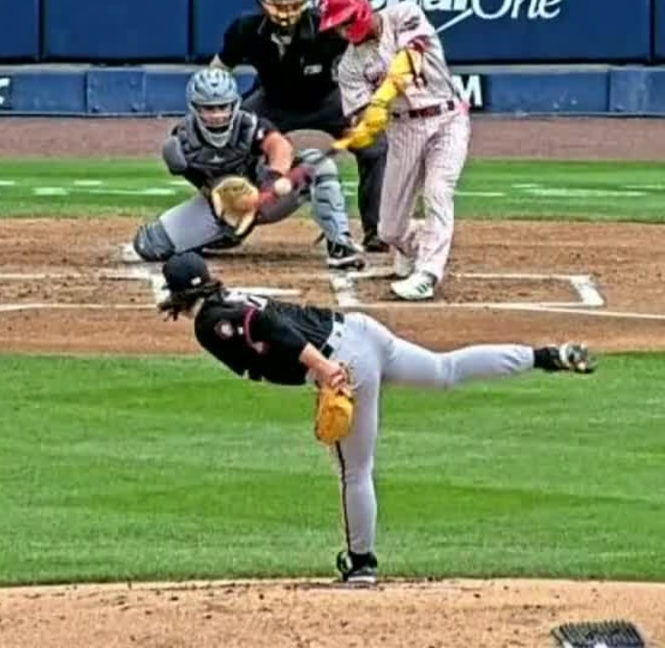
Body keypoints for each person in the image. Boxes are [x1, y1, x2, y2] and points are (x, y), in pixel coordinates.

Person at [156, 250, 597, 585]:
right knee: (444, 371)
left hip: (343, 362)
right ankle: (545, 356)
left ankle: (362, 564)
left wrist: (325, 371)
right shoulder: (228, 298)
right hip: (361, 331)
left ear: (176, 292)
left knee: (355, 470)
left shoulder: (213, 319)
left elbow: (274, 330)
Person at [211, 0, 389, 258]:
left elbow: (364, 60)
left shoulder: (328, 29)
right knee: (233, 141)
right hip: (271, 100)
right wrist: (218, 111)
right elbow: (218, 71)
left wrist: (364, 104)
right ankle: (230, 224)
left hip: (327, 99)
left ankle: (376, 230)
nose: (284, 6)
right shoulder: (245, 29)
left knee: (374, 146)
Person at [318, 0, 469, 303]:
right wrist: (364, 128)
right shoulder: (349, 66)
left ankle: (428, 274)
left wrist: (382, 98)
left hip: (447, 120)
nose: (344, 31)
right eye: (338, 26)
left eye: (347, 21)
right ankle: (417, 247)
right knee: (389, 230)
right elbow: (363, 117)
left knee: (438, 191)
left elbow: (410, 60)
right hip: (403, 132)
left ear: (361, 9)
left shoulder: (404, 14)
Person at [130, 67, 362, 269]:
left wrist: (272, 179)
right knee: (150, 244)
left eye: (223, 107)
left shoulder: (249, 124)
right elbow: (201, 184)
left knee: (316, 164)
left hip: (266, 195)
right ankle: (213, 237)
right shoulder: (181, 143)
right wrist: (227, 207)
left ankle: (340, 243)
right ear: (195, 108)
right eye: (208, 109)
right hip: (223, 206)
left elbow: (279, 145)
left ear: (234, 104)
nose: (217, 115)